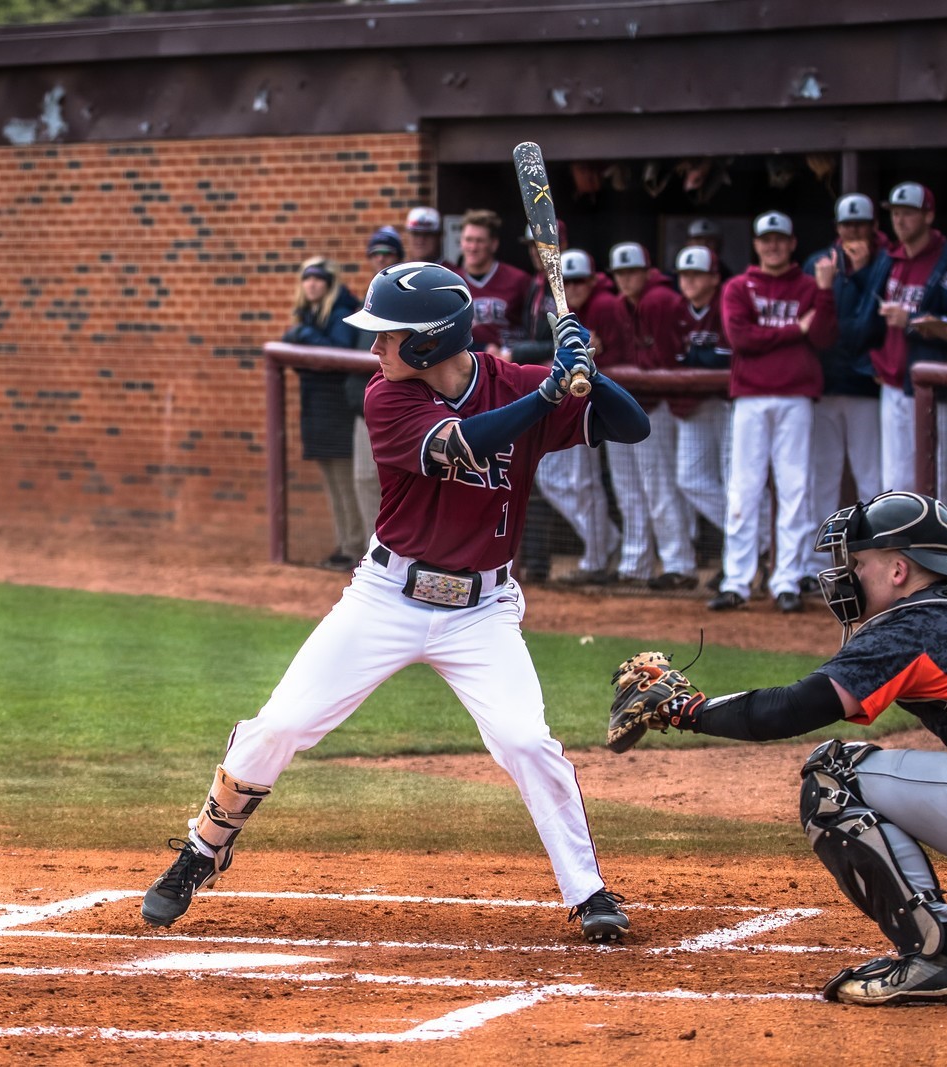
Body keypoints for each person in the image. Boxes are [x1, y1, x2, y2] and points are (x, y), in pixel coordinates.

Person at [141, 261, 651, 942]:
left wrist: (584, 365)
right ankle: (204, 849)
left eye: (387, 334)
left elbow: (632, 423)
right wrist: (549, 393)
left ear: (428, 343)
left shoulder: (515, 382)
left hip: (482, 609)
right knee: (283, 724)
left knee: (526, 739)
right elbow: (464, 443)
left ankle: (589, 893)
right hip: (387, 597)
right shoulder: (387, 398)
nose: (375, 347)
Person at [611, 490, 947, 1006]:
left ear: (899, 569)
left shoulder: (912, 620)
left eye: (859, 562)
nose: (848, 576)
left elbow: (791, 710)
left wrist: (686, 709)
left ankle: (936, 957)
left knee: (833, 772)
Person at [710, 211, 836, 613]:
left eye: (780, 238)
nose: (774, 245)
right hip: (750, 396)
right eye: (767, 239)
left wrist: (825, 291)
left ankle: (787, 581)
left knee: (795, 490)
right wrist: (793, 331)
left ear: (792, 243)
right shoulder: (738, 286)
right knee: (743, 491)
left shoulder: (808, 285)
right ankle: (737, 582)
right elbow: (742, 339)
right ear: (757, 244)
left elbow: (824, 335)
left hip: (796, 397)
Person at [514, 247, 620, 584]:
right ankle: (603, 543)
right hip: (572, 402)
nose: (573, 288)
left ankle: (601, 553)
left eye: (580, 282)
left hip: (602, 405)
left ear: (592, 281)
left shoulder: (602, 306)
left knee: (592, 484)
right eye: (568, 282)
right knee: (556, 480)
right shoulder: (559, 305)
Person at [607, 241, 697, 589]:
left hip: (657, 408)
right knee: (632, 490)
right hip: (632, 405)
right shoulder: (620, 305)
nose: (627, 279)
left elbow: (663, 358)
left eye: (633, 272)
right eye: (621, 273)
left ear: (647, 272)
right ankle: (636, 562)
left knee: (658, 488)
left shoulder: (659, 300)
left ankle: (679, 564)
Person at [872, 182, 947, 494]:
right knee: (896, 482)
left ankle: (934, 545)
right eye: (895, 213)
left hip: (933, 387)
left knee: (940, 479)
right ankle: (901, 545)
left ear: (929, 216)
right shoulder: (887, 260)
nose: (899, 221)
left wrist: (911, 322)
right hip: (892, 384)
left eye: (908, 214)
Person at [805, 192, 888, 531]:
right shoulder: (818, 263)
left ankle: (877, 554)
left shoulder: (885, 263)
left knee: (871, 476)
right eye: (847, 224)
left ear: (873, 227)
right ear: (837, 227)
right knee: (822, 476)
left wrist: (864, 272)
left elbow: (874, 325)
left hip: (866, 386)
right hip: (826, 383)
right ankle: (817, 560)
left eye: (860, 224)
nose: (853, 231)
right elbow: (814, 327)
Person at [284, 257, 365, 569]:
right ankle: (345, 544)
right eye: (307, 278)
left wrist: (304, 336)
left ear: (330, 284)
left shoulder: (341, 312)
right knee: (334, 483)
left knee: (347, 483)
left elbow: (339, 352)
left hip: (339, 409)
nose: (312, 284)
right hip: (318, 408)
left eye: (318, 278)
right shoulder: (310, 315)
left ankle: (355, 548)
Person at [669, 245, 732, 582]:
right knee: (689, 479)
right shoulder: (679, 309)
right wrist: (697, 356)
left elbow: (721, 360)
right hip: (696, 404)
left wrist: (693, 356)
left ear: (714, 278)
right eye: (685, 275)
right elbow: (676, 357)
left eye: (697, 275)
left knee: (733, 481)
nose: (690, 281)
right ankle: (756, 537)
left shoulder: (725, 302)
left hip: (728, 403)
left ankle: (744, 548)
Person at [347, 227, 407, 543]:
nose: (381, 259)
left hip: (403, 403)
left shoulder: (407, 300)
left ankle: (396, 548)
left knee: (398, 479)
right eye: (376, 254)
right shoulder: (364, 303)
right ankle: (376, 549)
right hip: (367, 406)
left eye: (388, 254)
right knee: (364, 478)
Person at [456, 208, 533, 355]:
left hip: (511, 362)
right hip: (468, 361)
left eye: (480, 241)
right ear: (461, 242)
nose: (473, 247)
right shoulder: (451, 282)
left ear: (493, 244)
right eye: (468, 240)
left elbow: (537, 329)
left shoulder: (519, 280)